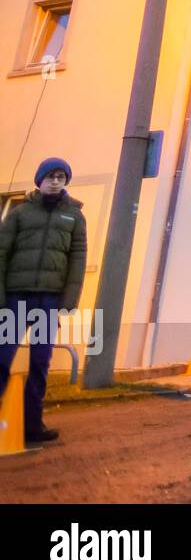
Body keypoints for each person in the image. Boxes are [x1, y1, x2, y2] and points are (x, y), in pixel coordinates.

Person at [0, 158, 87, 445]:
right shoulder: (20, 214)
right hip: (16, 296)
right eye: (50, 176)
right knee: (2, 358)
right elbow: (2, 253)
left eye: (61, 176)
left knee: (40, 362)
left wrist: (69, 300)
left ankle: (32, 425)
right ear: (39, 180)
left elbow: (77, 259)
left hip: (48, 301)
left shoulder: (74, 217)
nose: (55, 181)